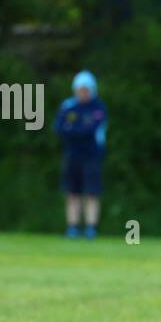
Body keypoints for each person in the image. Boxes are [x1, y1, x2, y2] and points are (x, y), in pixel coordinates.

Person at [55, 70, 107, 239]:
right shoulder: (68, 106)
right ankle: (72, 227)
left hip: (91, 156)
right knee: (72, 192)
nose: (83, 93)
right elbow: (60, 128)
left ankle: (91, 228)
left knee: (91, 192)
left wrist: (74, 130)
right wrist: (78, 131)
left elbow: (91, 129)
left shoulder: (98, 107)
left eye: (86, 89)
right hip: (72, 155)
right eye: (80, 89)